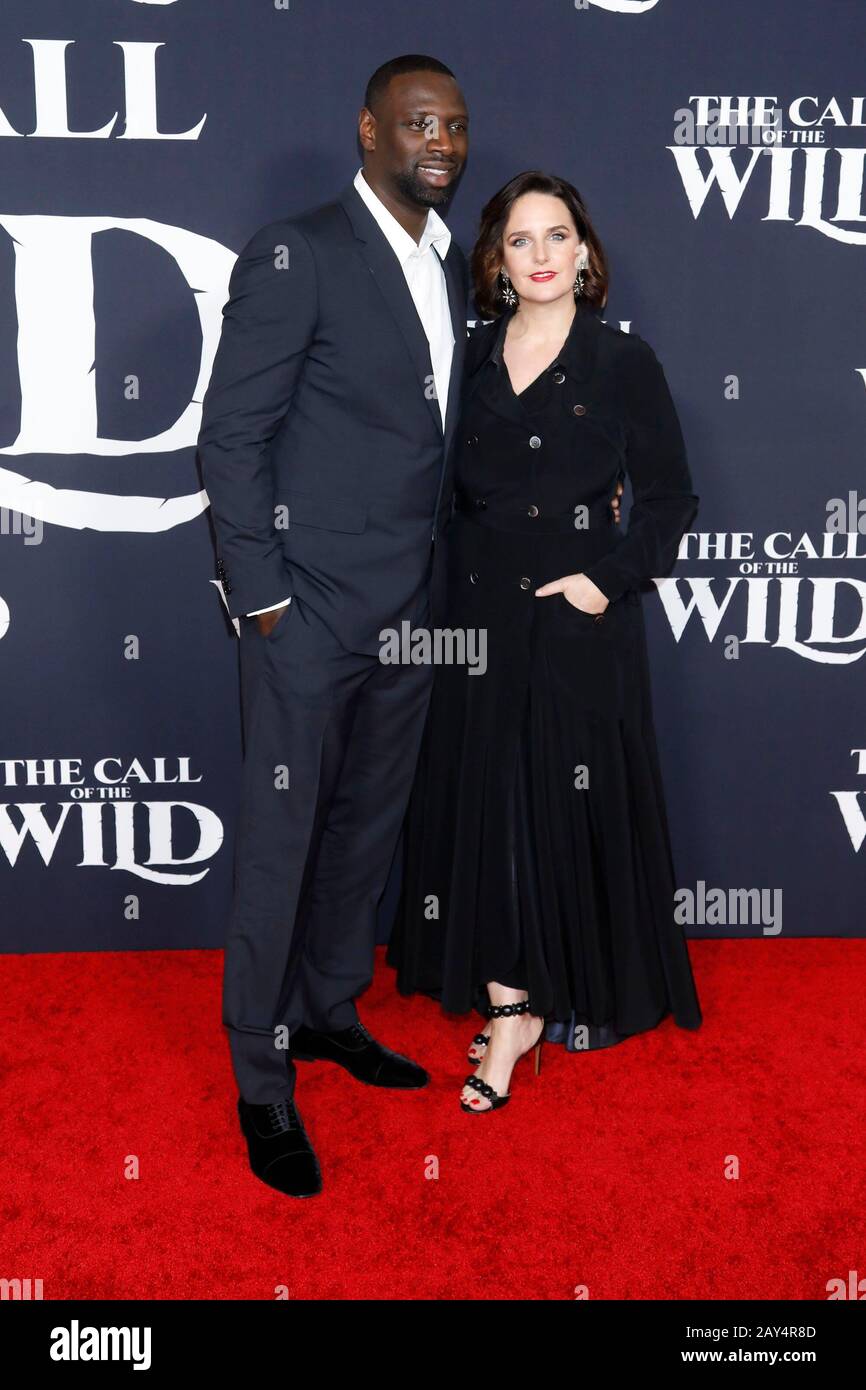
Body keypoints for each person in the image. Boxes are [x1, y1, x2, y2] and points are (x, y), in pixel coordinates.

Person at [196, 55, 472, 1197]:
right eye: (417, 123)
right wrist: (262, 598)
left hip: (410, 613)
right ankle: (261, 1082)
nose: (439, 142)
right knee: (277, 846)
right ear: (369, 133)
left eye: (454, 125)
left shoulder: (444, 265)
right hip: (303, 615)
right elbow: (230, 439)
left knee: (364, 832)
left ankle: (325, 1013)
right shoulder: (297, 250)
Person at [387, 170, 703, 1113]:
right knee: (485, 805)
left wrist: (605, 582)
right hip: (476, 618)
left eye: (556, 236)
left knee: (555, 802)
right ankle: (510, 1008)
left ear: (586, 254)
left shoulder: (621, 362)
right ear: (495, 262)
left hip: (577, 620)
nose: (539, 256)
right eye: (519, 241)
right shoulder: (469, 359)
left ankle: (554, 993)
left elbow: (673, 498)